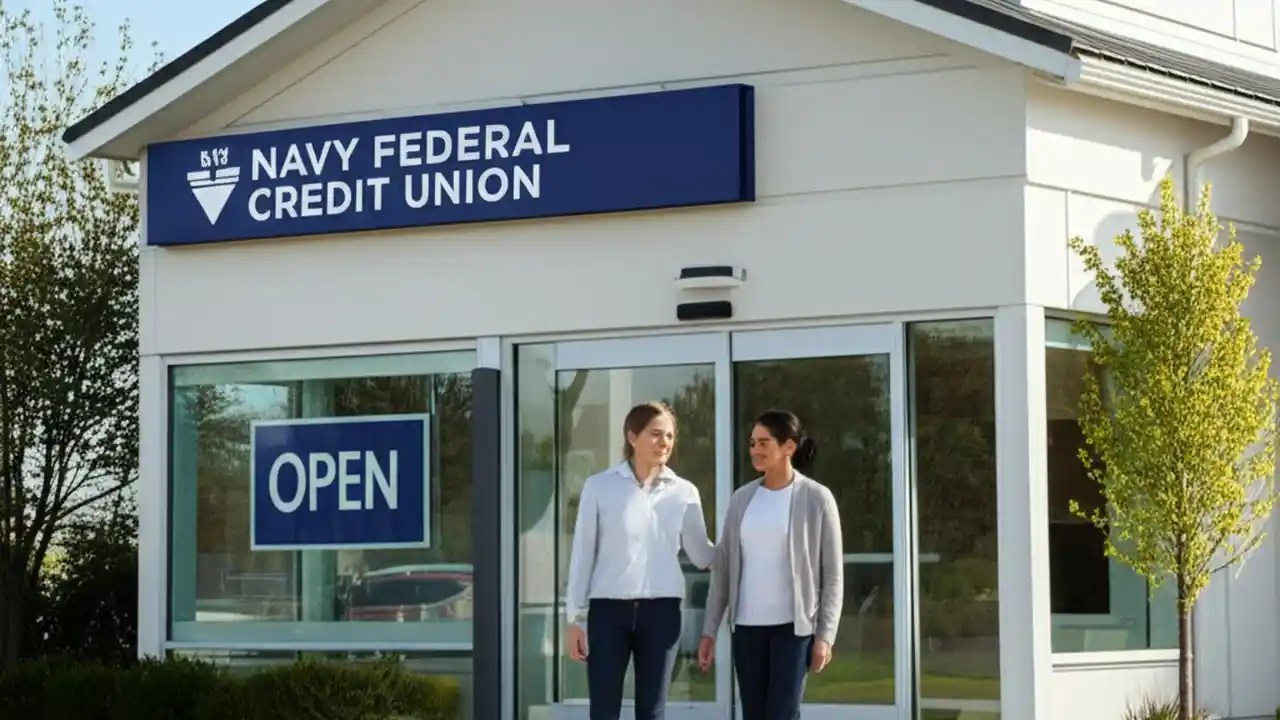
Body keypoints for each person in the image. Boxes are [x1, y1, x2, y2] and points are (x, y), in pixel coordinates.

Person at [564, 400, 717, 720]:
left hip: (662, 612)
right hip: (608, 612)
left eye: (670, 436)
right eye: (656, 434)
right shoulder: (599, 487)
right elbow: (582, 555)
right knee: (603, 710)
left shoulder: (684, 492)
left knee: (653, 710)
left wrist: (745, 544)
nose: (665, 442)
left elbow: (702, 554)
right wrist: (576, 619)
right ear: (632, 437)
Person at [697, 409, 844, 720]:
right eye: (752, 443)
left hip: (793, 631)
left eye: (764, 443)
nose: (755, 450)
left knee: (783, 713)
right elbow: (724, 570)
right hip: (747, 630)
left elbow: (832, 575)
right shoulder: (741, 499)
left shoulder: (817, 498)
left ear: (788, 446)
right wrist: (710, 630)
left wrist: (825, 636)